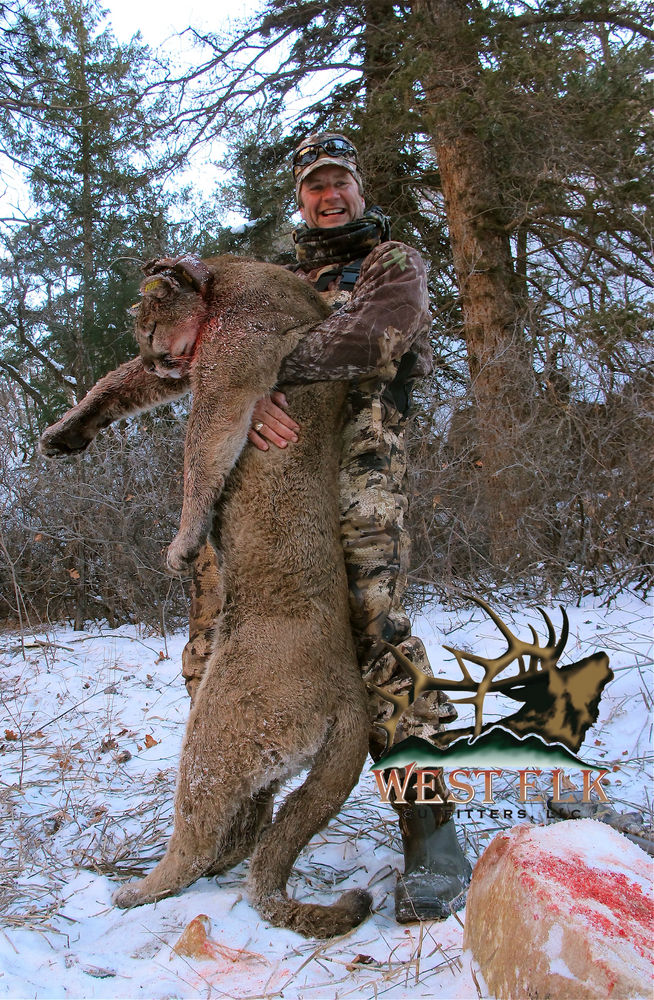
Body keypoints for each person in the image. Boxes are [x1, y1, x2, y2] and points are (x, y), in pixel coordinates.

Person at [181, 133, 472, 921]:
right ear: (299, 197)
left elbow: (381, 331)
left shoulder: (391, 261)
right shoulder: (270, 278)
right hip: (263, 484)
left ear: (359, 187)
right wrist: (239, 392)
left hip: (357, 465)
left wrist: (264, 373)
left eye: (340, 180)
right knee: (224, 629)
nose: (328, 195)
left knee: (373, 630)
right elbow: (198, 353)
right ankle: (229, 821)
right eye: (314, 185)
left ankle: (430, 828)